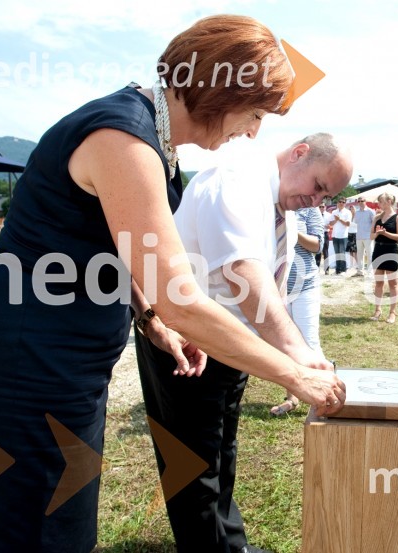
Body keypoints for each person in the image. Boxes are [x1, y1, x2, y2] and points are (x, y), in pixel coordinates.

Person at [0, 16, 345, 553]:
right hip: (30, 352)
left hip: (65, 354)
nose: (253, 131)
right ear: (219, 90)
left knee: (60, 514)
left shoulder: (152, 140)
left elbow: (122, 251)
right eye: (254, 113)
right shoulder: (123, 137)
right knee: (32, 523)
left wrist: (149, 318)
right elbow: (180, 294)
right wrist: (293, 373)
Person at [137, 133, 352, 552]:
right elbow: (245, 278)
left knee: (222, 449)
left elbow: (268, 288)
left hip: (230, 344)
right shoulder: (235, 181)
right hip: (187, 343)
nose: (317, 202)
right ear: (299, 154)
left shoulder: (277, 195)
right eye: (319, 187)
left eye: (326, 197)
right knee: (194, 464)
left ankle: (229, 544)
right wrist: (298, 357)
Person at [270, 204, 327, 416]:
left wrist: (294, 231)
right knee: (287, 346)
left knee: (310, 342)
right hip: (278, 287)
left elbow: (317, 245)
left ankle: (324, 393)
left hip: (305, 285)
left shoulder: (309, 209)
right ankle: (292, 398)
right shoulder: (273, 206)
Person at [370, 192, 398, 323]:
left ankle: (392, 312)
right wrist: (378, 234)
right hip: (378, 250)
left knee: (393, 283)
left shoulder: (397, 218)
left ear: (389, 201)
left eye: (381, 201)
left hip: (391, 250)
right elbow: (371, 236)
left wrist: (385, 233)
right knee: (378, 282)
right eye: (379, 202)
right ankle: (377, 310)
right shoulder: (377, 217)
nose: (379, 204)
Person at [352, 197, 376, 276]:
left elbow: (374, 223)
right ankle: (360, 271)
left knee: (369, 254)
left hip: (368, 236)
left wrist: (372, 234)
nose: (360, 202)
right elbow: (355, 223)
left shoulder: (370, 211)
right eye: (359, 201)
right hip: (359, 236)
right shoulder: (357, 212)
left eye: (362, 201)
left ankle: (370, 272)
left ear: (365, 202)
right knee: (360, 254)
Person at [330, 198, 351, 274]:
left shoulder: (347, 212)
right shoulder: (334, 212)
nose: (341, 203)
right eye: (340, 202)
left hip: (343, 235)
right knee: (337, 253)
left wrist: (339, 219)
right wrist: (336, 220)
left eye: (343, 202)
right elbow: (331, 223)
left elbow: (348, 224)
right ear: (337, 203)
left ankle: (343, 269)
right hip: (335, 235)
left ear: (345, 204)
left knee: (342, 253)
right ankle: (337, 270)